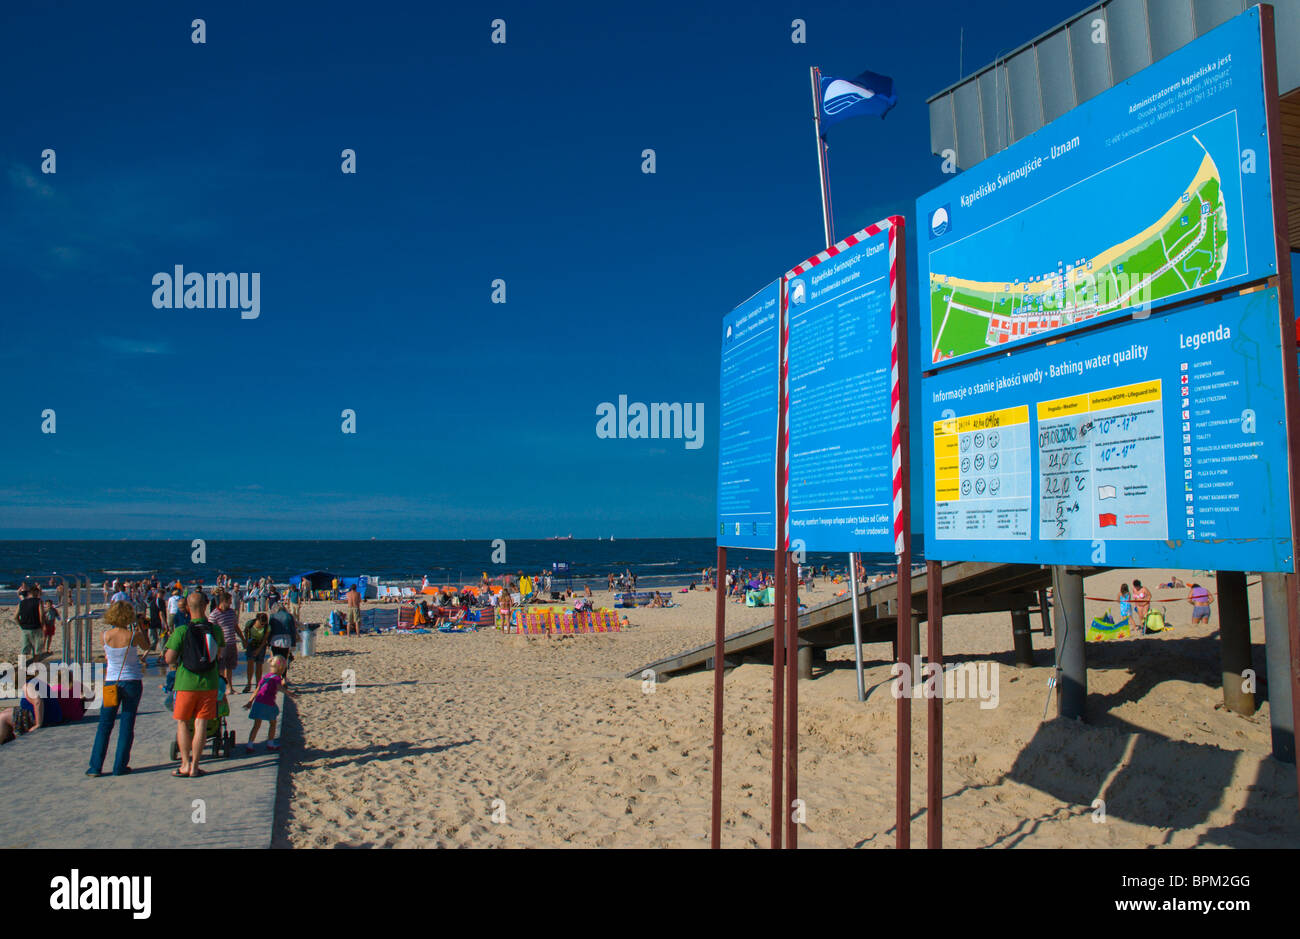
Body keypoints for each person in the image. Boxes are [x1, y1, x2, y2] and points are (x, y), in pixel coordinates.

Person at [163, 590, 224, 778]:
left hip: (185, 682)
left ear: (187, 608)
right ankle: (195, 767)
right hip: (209, 683)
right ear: (206, 606)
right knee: (201, 724)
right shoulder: (215, 630)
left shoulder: (181, 631)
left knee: (182, 723)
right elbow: (219, 655)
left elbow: (169, 658)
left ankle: (185, 764)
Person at [87, 600, 150, 776]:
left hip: (111, 682)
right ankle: (119, 765)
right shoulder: (133, 635)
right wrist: (140, 627)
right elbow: (147, 646)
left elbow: (109, 657)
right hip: (131, 681)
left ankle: (95, 766)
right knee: (127, 724)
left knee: (105, 724)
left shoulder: (104, 635)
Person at [243, 655, 292, 751]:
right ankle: (270, 743)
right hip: (268, 704)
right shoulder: (277, 678)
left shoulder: (265, 677)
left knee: (256, 725)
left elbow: (257, 690)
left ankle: (250, 744)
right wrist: (290, 693)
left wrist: (250, 701)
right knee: (273, 723)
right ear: (281, 668)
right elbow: (280, 688)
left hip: (258, 702)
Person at [208, 592, 244, 694]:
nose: (230, 604)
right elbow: (210, 632)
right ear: (223, 601)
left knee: (230, 667)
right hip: (221, 645)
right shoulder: (214, 614)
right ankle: (221, 689)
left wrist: (243, 639)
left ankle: (230, 688)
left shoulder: (231, 612)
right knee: (220, 669)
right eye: (229, 602)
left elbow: (235, 627)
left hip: (232, 643)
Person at [241, 612, 270, 693]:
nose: (262, 625)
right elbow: (245, 632)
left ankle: (258, 685)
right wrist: (245, 641)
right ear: (257, 620)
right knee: (250, 664)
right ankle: (248, 684)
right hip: (251, 645)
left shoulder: (267, 627)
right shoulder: (250, 624)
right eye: (261, 623)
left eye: (264, 624)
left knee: (259, 665)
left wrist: (258, 650)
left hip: (261, 645)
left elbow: (265, 640)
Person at [15, 584, 44, 659]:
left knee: (24, 649)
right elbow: (41, 615)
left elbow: (15, 617)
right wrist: (43, 626)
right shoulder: (39, 601)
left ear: (29, 593)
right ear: (37, 593)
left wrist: (21, 625)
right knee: (37, 649)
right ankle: (35, 665)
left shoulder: (21, 602)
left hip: (25, 628)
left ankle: (22, 666)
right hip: (36, 627)